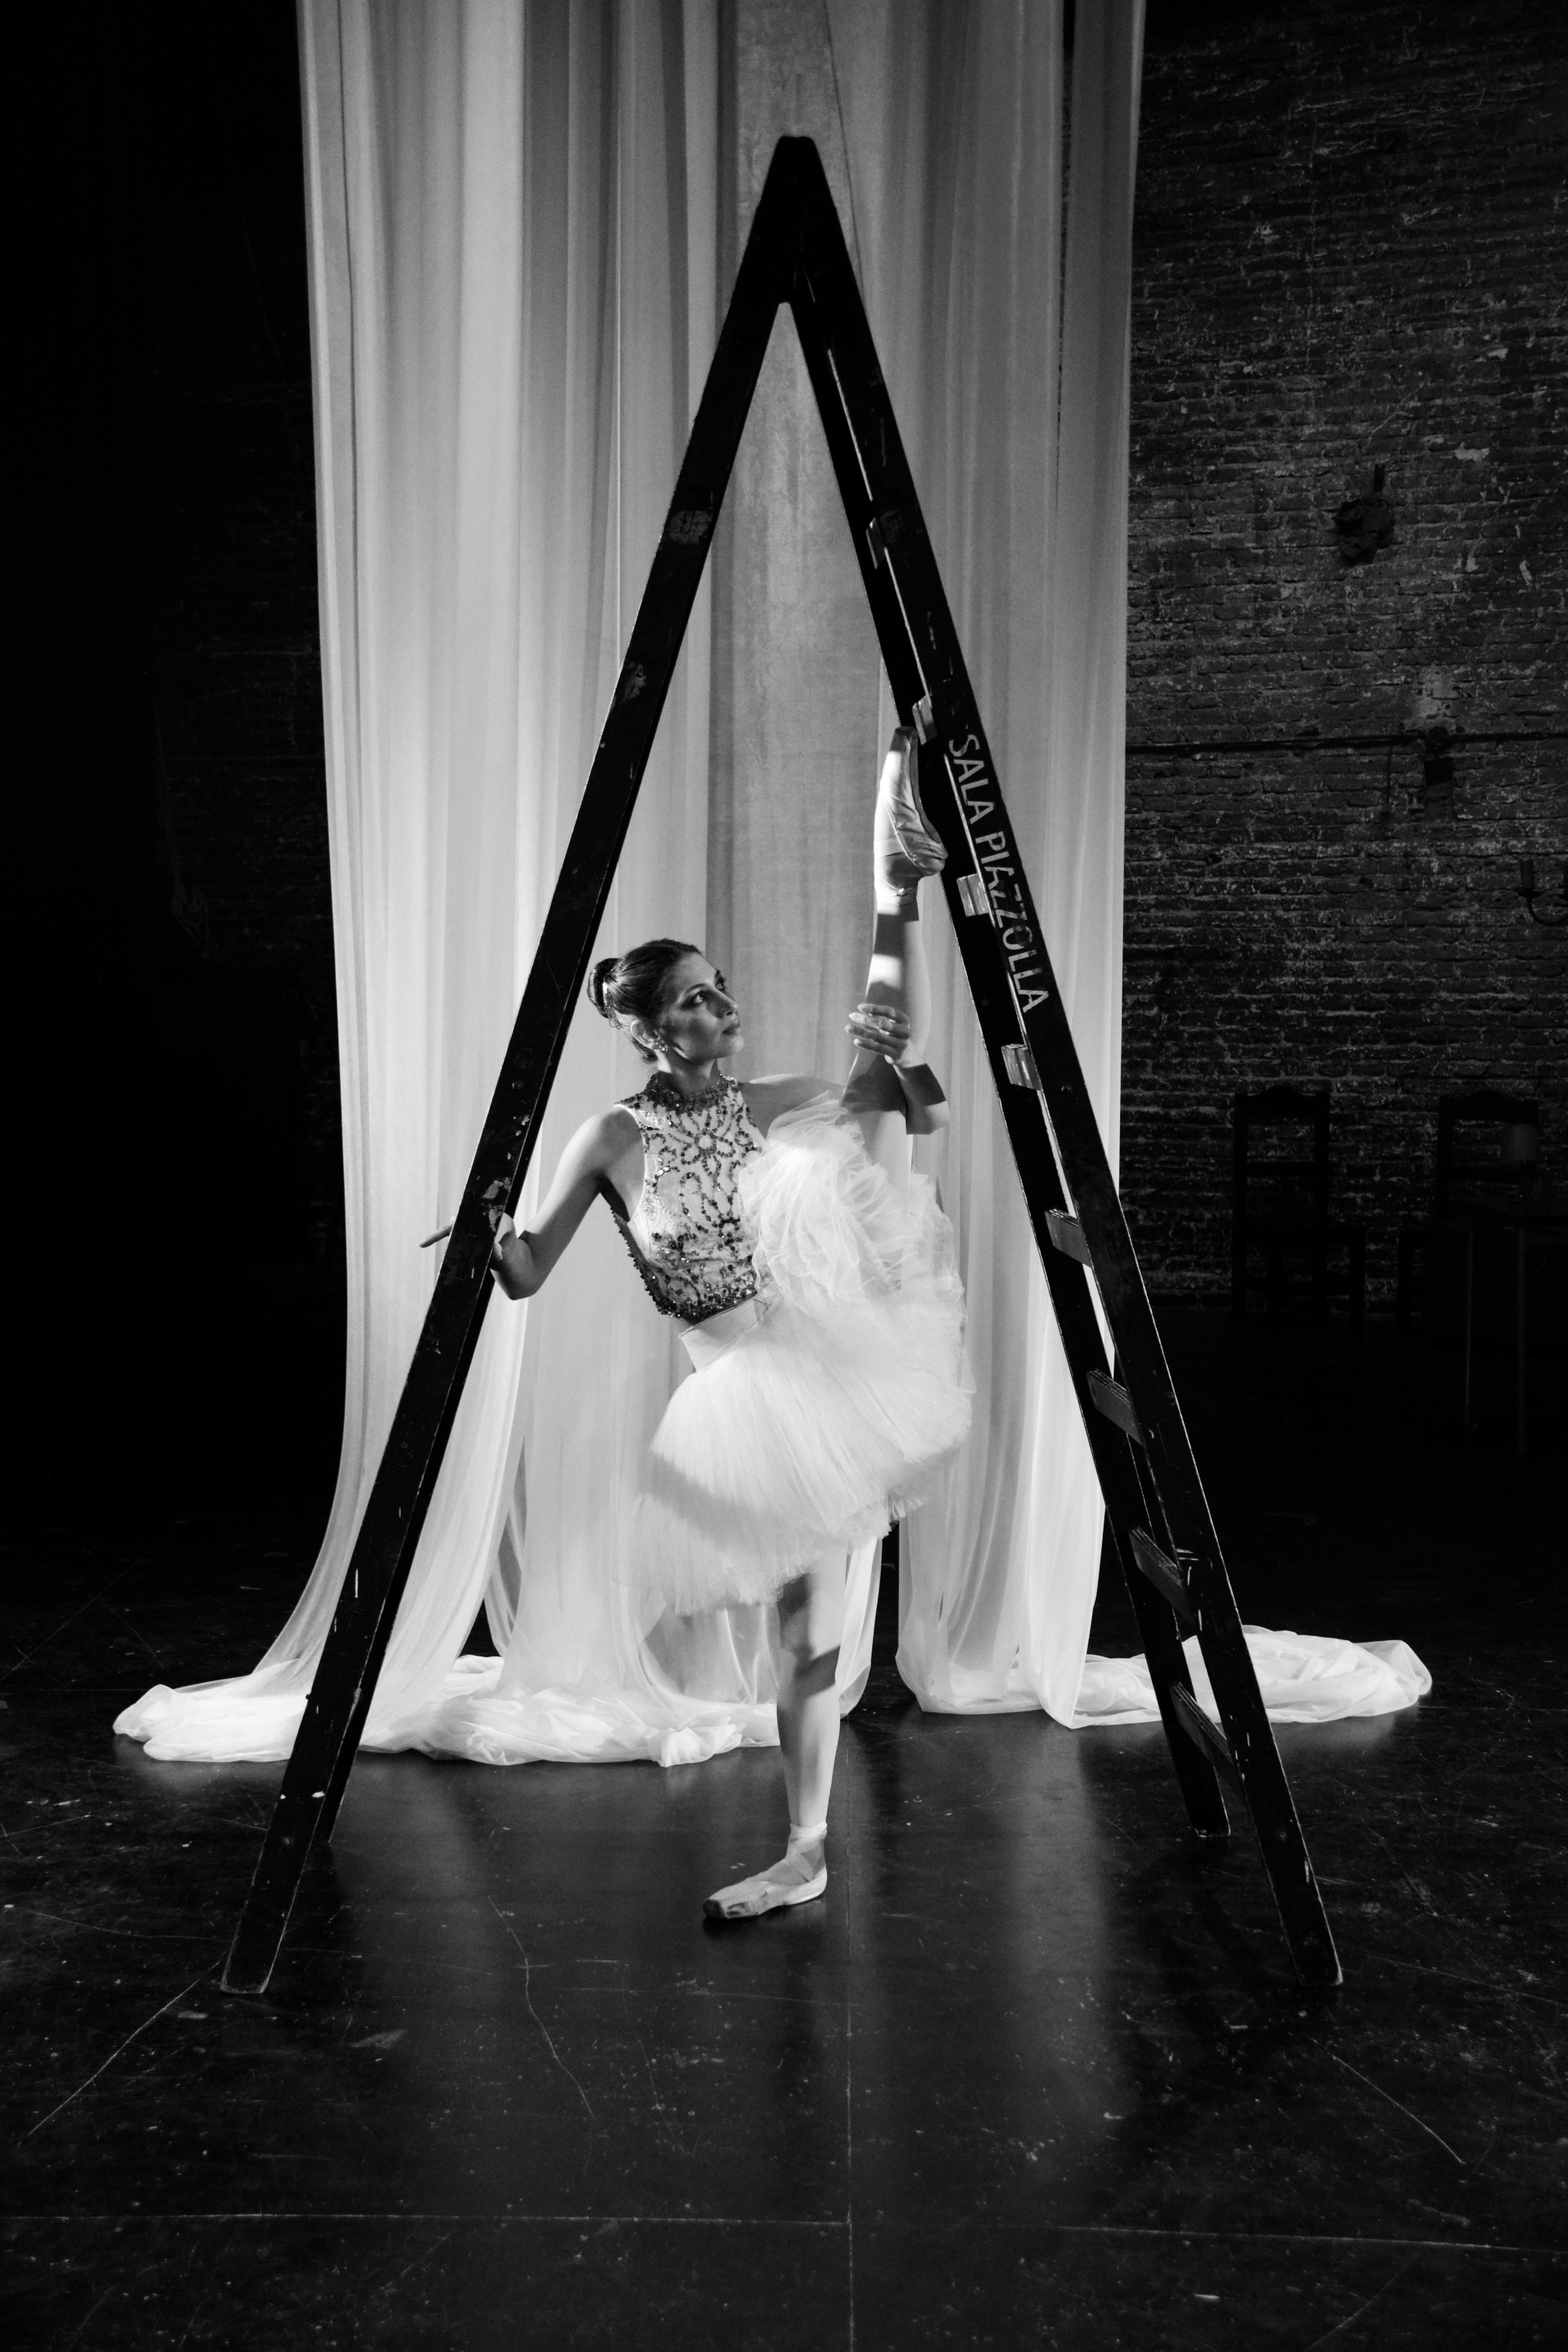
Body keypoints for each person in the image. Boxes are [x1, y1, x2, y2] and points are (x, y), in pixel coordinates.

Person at [488, 729, 972, 1918]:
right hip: (741, 1400)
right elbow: (527, 1273)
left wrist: (891, 906)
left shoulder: (767, 1103)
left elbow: (882, 1059)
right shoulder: (609, 1138)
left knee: (817, 1632)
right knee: (797, 1627)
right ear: (654, 1033)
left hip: (831, 1370)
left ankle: (806, 1847)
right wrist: (491, 1221)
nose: (727, 1009)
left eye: (721, 989)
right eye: (699, 1001)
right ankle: (806, 1844)